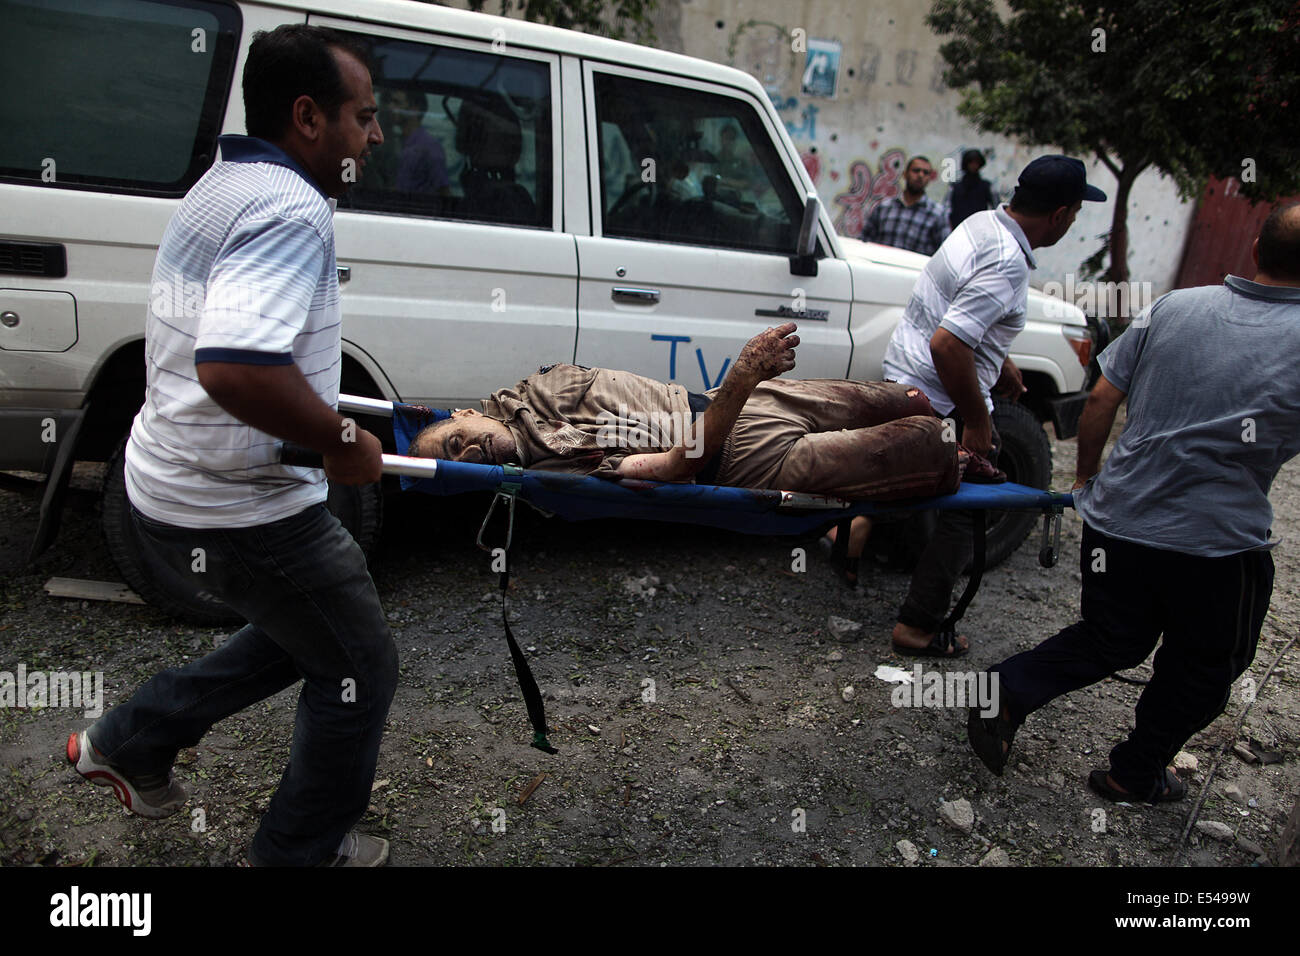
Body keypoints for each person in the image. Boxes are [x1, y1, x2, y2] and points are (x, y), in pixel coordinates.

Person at [66, 25, 396, 866]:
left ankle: (129, 741)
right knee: (359, 666)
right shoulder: (290, 209)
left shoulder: (225, 182)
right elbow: (236, 367)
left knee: (305, 633)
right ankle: (296, 854)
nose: (378, 135)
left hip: (168, 478)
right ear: (308, 117)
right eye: (365, 115)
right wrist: (342, 437)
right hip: (237, 507)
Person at [968, 204, 1300, 803]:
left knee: (1110, 638)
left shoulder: (1175, 306)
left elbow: (1099, 400)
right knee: (1206, 666)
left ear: (1254, 250)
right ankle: (1136, 771)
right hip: (1217, 547)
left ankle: (1006, 690)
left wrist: (1091, 484)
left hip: (1119, 524)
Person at [882, 154, 1106, 656]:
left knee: (911, 479)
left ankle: (855, 536)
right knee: (973, 504)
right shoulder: (1007, 260)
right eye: (1074, 214)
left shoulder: (984, 222)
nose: (1072, 223)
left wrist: (997, 357)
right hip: (934, 391)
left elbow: (960, 314)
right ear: (1059, 215)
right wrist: (978, 423)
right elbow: (948, 344)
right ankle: (917, 626)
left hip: (904, 371)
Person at [408, 323, 962, 502]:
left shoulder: (529, 391)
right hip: (748, 456)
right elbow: (678, 467)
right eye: (471, 468)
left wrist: (742, 388)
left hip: (740, 400)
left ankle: (968, 448)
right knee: (930, 441)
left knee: (910, 398)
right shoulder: (554, 471)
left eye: (459, 442)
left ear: (464, 413)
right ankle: (968, 458)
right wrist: (742, 378)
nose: (475, 453)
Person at [860, 156, 951, 256]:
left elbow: (944, 252)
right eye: (916, 171)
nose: (920, 175)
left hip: (913, 270)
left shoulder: (937, 214)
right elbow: (865, 240)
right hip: (881, 268)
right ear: (905, 174)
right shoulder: (884, 208)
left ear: (929, 179)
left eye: (926, 173)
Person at [388, 88, 451, 196]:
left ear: (415, 109)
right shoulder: (402, 143)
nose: (390, 107)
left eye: (397, 103)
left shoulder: (429, 148)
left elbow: (444, 191)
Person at [947, 149, 997, 229]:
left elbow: (995, 208)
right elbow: (947, 209)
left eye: (976, 163)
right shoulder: (955, 187)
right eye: (971, 162)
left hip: (979, 228)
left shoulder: (986, 187)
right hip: (957, 228)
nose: (974, 165)